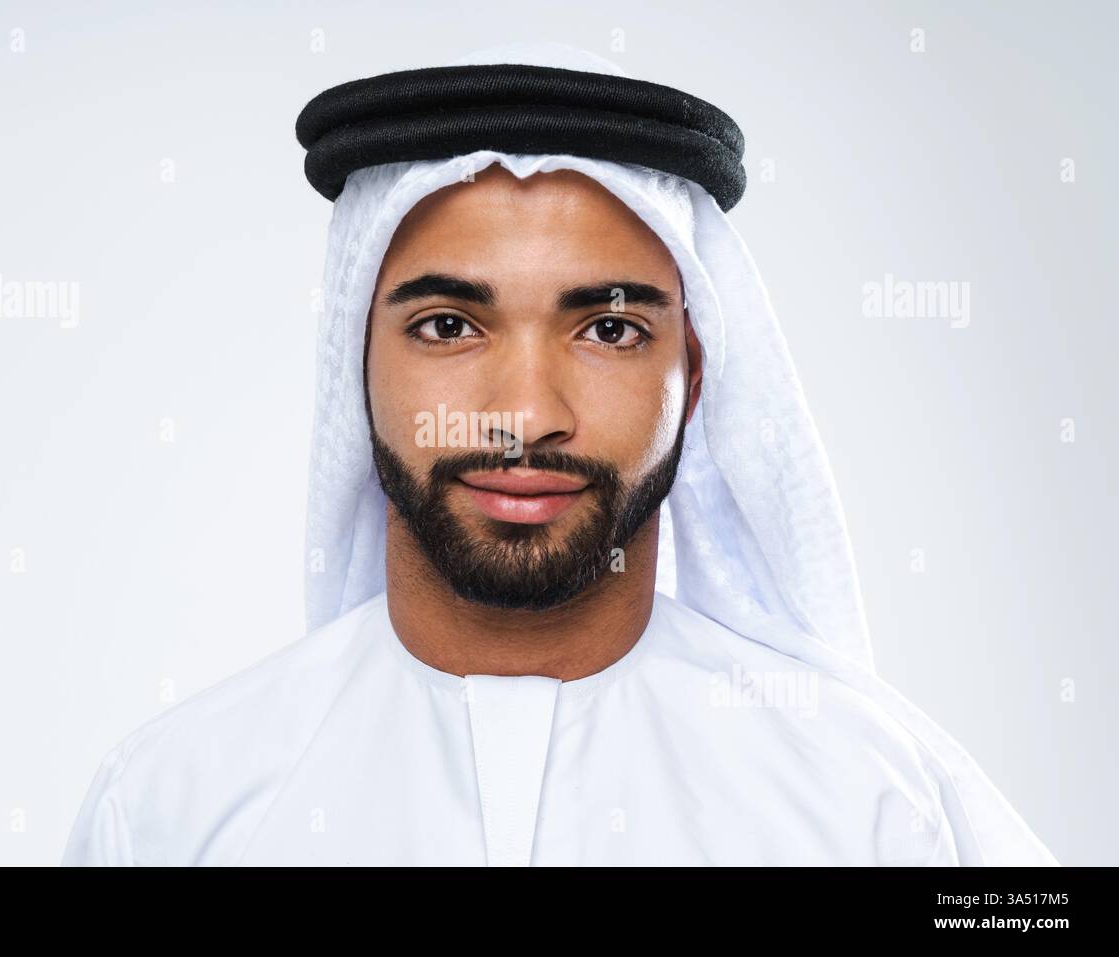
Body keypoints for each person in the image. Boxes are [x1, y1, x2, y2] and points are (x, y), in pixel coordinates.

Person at [60, 41, 1057, 866]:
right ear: (353, 369)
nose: (525, 415)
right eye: (448, 326)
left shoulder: (883, 810)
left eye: (609, 331)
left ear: (697, 376)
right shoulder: (167, 810)